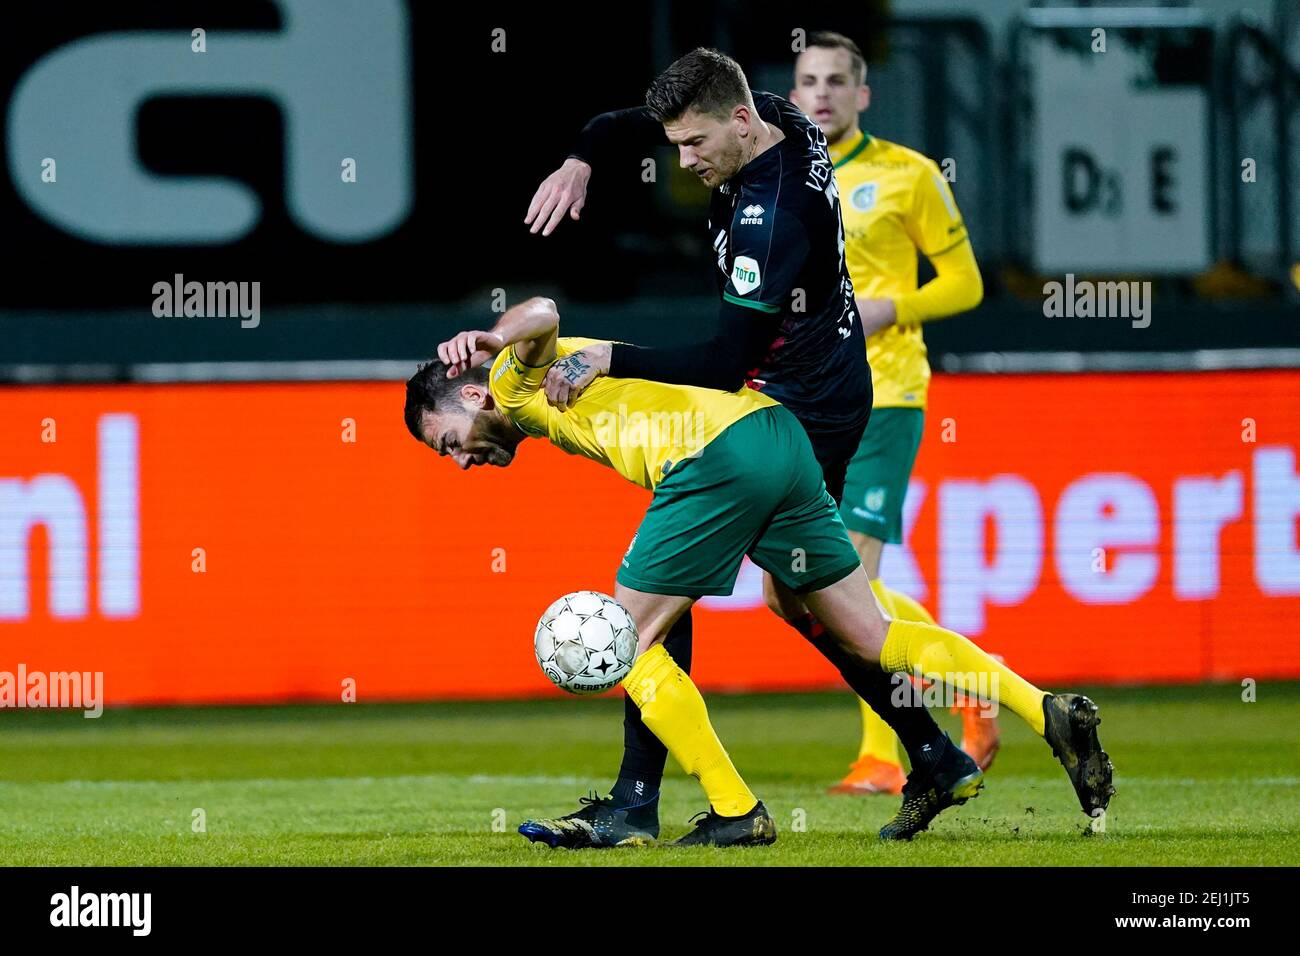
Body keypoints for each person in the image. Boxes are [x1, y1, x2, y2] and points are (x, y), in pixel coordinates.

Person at [402, 295, 1116, 847]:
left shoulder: (507, 381)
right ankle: (1035, 708)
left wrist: (496, 335)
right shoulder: (530, 411)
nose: (462, 462)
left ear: (469, 397)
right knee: (865, 633)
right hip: (777, 438)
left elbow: (544, 313)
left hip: (712, 460)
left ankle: (732, 809)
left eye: (450, 445)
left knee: (621, 641)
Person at [520, 47, 980, 843]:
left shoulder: (774, 218)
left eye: (695, 144)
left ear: (738, 123)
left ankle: (642, 804)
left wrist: (606, 358)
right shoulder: (776, 116)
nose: (684, 160)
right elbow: (624, 123)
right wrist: (582, 158)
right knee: (807, 604)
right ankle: (937, 749)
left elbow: (725, 360)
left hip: (795, 408)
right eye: (677, 146)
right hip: (814, 389)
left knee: (663, 582)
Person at [789, 31, 998, 796]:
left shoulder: (907, 175)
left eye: (838, 80)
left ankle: (885, 754)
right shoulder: (781, 174)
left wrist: (891, 307)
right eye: (809, 79)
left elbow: (967, 284)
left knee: (850, 578)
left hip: (888, 393)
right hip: (805, 399)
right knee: (811, 584)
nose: (822, 93)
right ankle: (972, 685)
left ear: (862, 94)